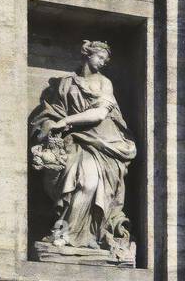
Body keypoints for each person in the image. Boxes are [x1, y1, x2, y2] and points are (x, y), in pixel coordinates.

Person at [29, 40, 136, 259]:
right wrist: (52, 126)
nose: (102, 62)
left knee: (90, 183)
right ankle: (67, 233)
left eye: (105, 60)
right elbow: (51, 113)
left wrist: (66, 121)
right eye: (99, 57)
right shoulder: (66, 83)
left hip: (104, 142)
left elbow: (98, 114)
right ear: (87, 55)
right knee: (75, 182)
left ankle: (85, 236)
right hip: (74, 141)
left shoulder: (105, 83)